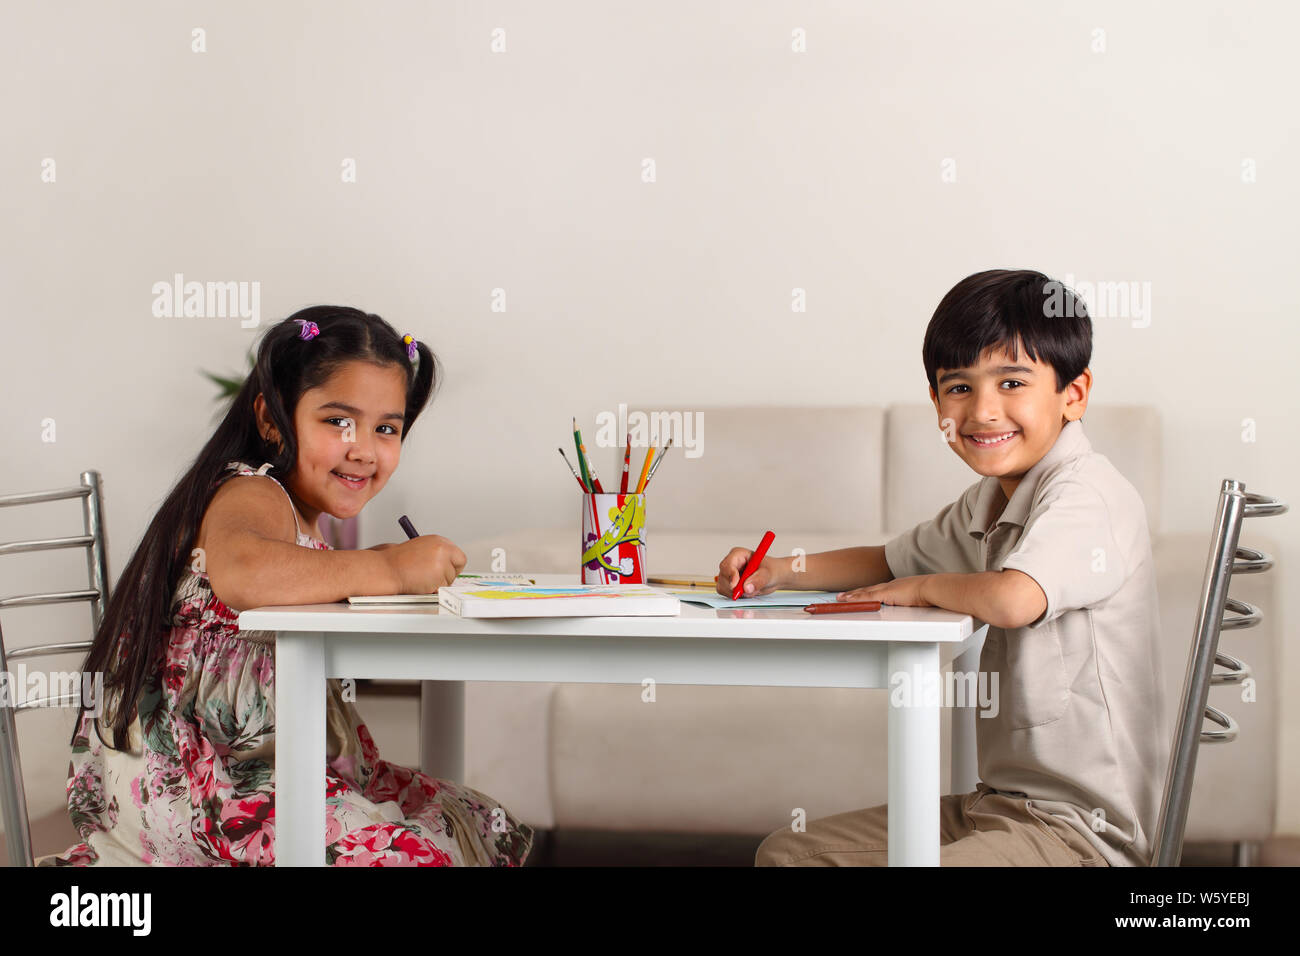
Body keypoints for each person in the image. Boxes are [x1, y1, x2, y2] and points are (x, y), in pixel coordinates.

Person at [40, 306, 533, 866]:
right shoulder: (252, 492)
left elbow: (295, 580)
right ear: (272, 420)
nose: (364, 449)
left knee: (468, 818)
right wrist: (391, 569)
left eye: (387, 428)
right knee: (415, 853)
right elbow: (246, 573)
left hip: (270, 763)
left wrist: (378, 564)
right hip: (200, 782)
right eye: (337, 421)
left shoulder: (298, 515)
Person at [718, 269, 1169, 867]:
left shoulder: (1087, 495)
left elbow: (1014, 599)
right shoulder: (991, 501)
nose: (983, 411)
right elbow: (888, 559)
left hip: (1085, 838)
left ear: (1074, 394)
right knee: (791, 854)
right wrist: (780, 569)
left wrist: (923, 588)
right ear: (936, 403)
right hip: (1002, 808)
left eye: (1012, 382)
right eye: (958, 388)